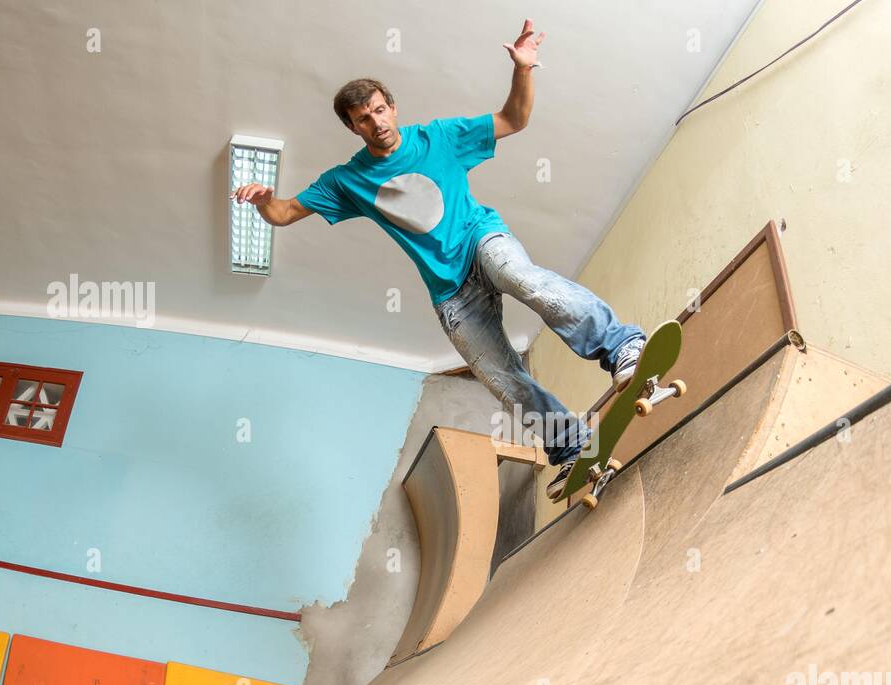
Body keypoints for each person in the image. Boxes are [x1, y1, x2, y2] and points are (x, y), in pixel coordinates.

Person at [232, 19, 646, 500]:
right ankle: (571, 446)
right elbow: (284, 213)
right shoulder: (346, 181)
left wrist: (523, 70)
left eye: (380, 110)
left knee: (521, 277)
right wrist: (264, 199)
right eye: (363, 119)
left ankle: (620, 346)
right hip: (450, 292)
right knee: (499, 378)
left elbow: (513, 119)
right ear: (352, 127)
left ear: (392, 107)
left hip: (481, 240)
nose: (377, 123)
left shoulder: (439, 138)